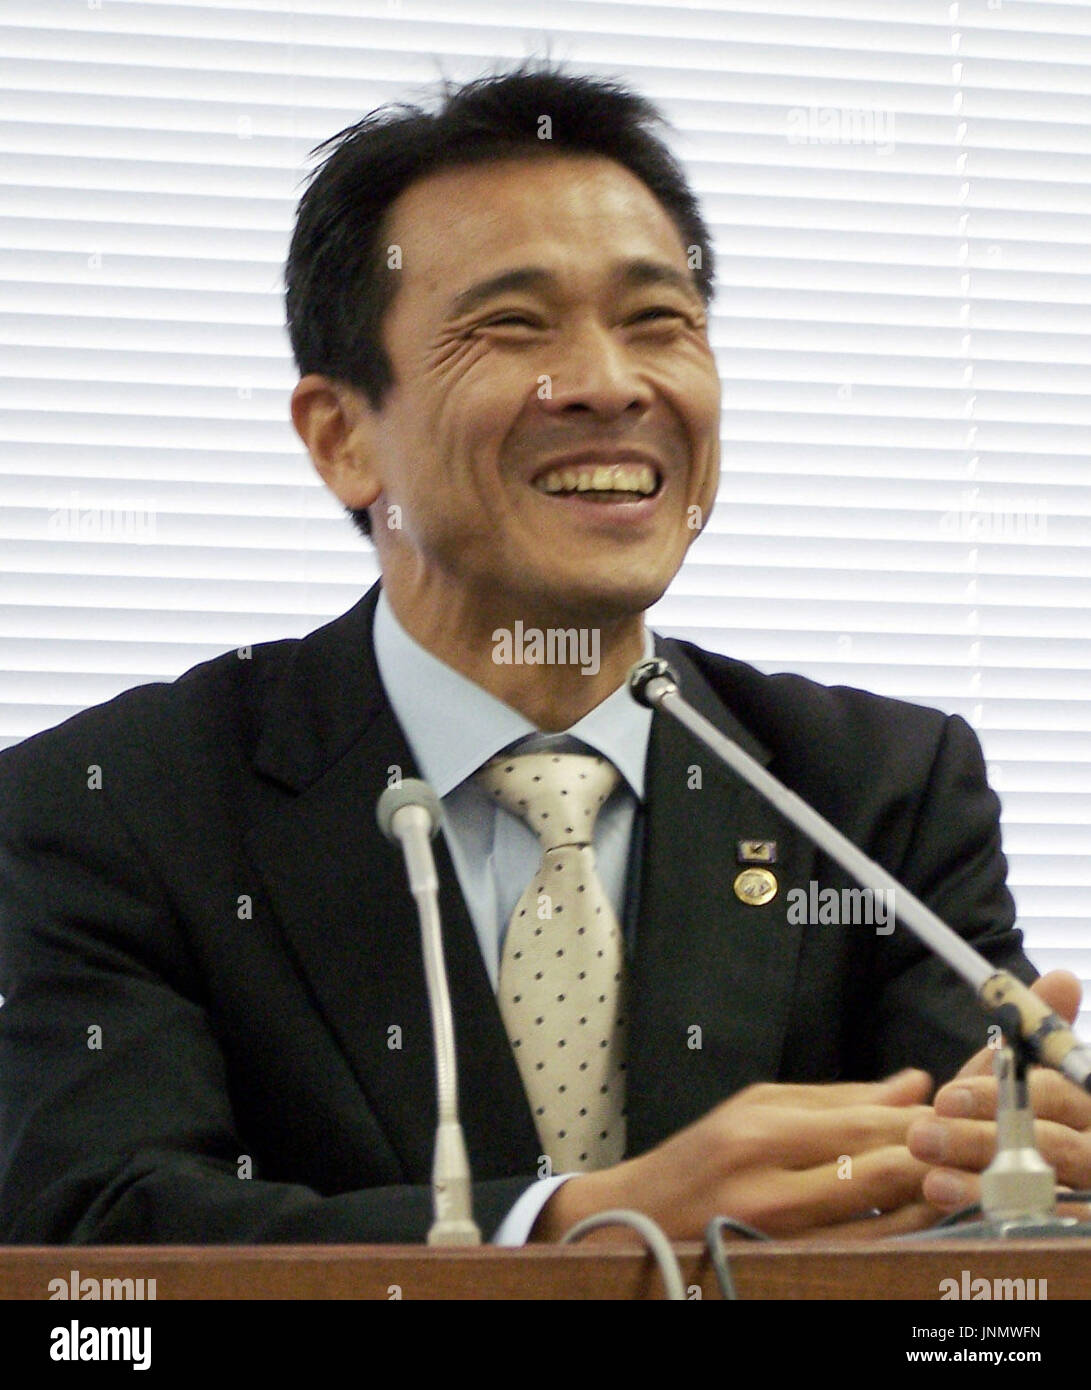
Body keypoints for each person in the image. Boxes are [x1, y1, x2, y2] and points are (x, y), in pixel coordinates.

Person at [1, 65, 1088, 1249]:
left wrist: (1025, 1169)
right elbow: (97, 1229)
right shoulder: (113, 806)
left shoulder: (871, 787)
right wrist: (576, 1227)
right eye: (513, 326)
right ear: (340, 437)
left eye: (657, 322)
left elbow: (967, 1213)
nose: (611, 385)